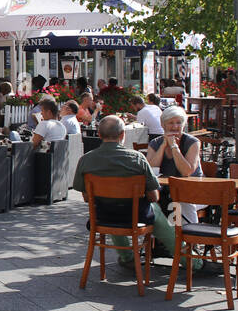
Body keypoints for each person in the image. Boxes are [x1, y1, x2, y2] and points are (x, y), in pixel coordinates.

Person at [72, 114, 164, 266]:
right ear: (123, 134)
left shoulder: (86, 160)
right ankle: (190, 261)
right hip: (135, 216)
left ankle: (127, 256)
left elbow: (87, 197)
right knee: (155, 210)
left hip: (103, 215)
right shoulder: (138, 158)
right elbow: (154, 196)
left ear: (99, 134)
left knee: (112, 204)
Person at [146, 105, 204, 224]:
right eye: (170, 123)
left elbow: (186, 172)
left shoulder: (193, 142)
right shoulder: (155, 143)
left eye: (178, 123)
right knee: (149, 199)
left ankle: (189, 237)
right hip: (165, 190)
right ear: (163, 125)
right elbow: (151, 169)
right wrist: (163, 146)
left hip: (193, 191)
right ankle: (160, 237)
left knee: (180, 201)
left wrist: (174, 146)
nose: (175, 127)